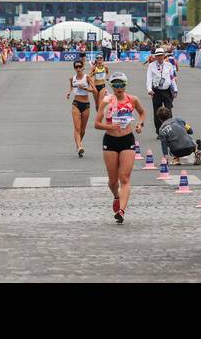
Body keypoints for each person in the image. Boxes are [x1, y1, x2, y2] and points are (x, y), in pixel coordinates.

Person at [95, 72, 145, 224]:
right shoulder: (106, 101)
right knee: (112, 180)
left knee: (124, 178)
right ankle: (116, 196)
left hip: (127, 140)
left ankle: (121, 211)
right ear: (112, 86)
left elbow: (142, 113)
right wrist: (109, 126)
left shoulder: (133, 99)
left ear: (125, 85)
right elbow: (96, 123)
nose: (118, 87)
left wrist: (140, 124)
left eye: (121, 84)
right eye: (115, 84)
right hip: (110, 140)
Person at [67, 59, 95, 157]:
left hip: (86, 104)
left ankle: (78, 144)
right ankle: (79, 147)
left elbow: (94, 90)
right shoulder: (72, 78)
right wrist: (69, 92)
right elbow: (71, 86)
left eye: (80, 66)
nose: (78, 68)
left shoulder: (87, 77)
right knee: (77, 128)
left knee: (83, 130)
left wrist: (85, 88)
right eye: (76, 67)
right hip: (76, 104)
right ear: (74, 68)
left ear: (83, 67)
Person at [146, 49, 176, 132]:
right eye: (157, 55)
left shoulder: (169, 65)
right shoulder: (151, 66)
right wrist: (149, 89)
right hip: (156, 91)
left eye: (161, 55)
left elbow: (172, 78)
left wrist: (175, 89)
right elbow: (149, 78)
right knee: (157, 112)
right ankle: (159, 131)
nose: (159, 57)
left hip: (167, 91)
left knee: (168, 111)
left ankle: (169, 130)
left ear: (164, 56)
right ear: (155, 57)